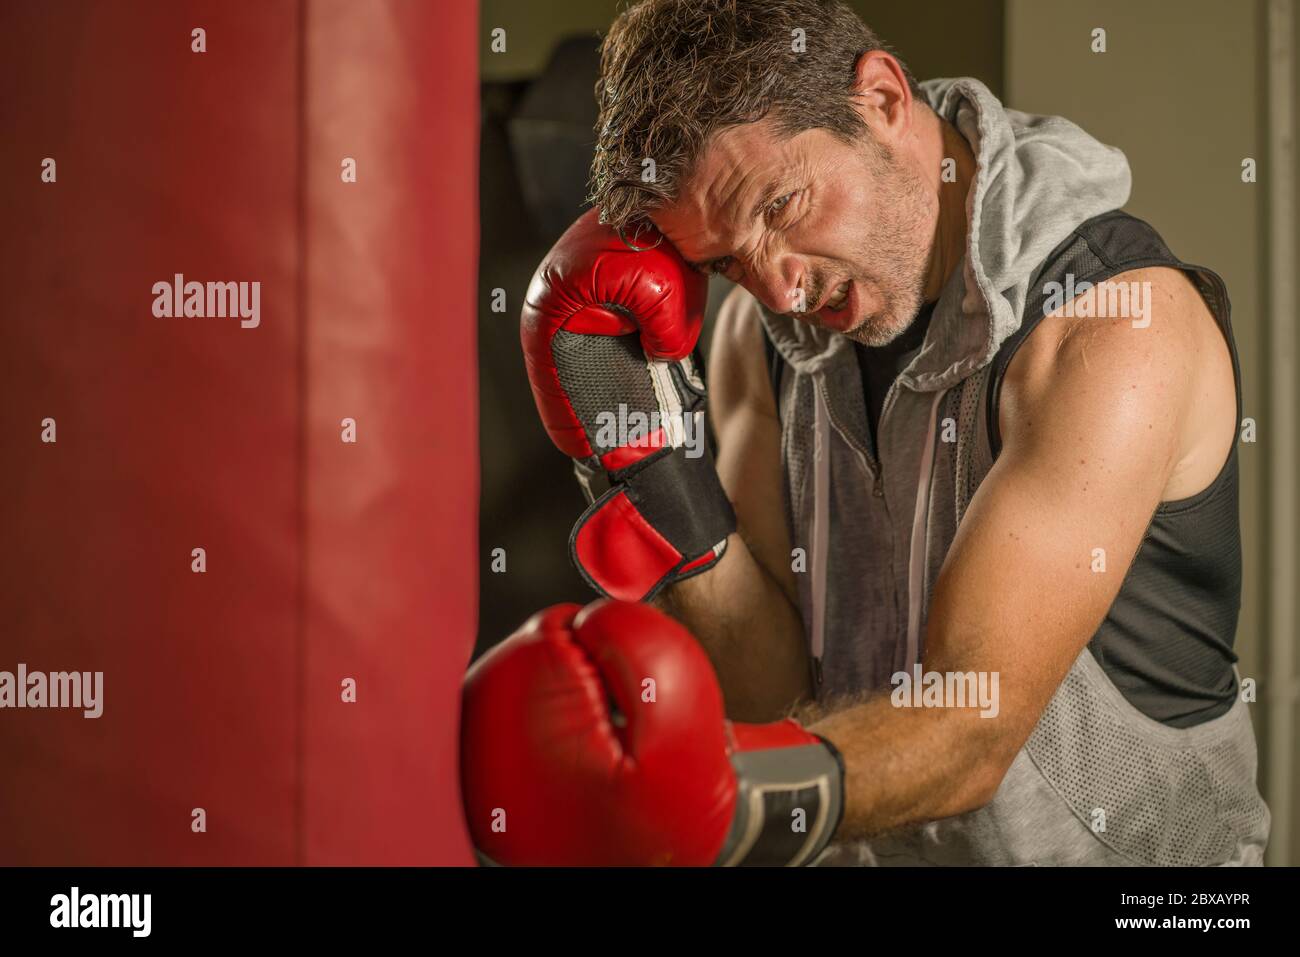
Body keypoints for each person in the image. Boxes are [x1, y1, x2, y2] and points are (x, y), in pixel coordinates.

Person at [503, 0, 1269, 865]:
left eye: (783, 206)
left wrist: (716, 794)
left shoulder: (1109, 326)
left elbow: (971, 728)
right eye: (724, 264)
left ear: (881, 100)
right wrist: (661, 488)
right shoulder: (760, 338)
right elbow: (775, 691)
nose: (777, 289)